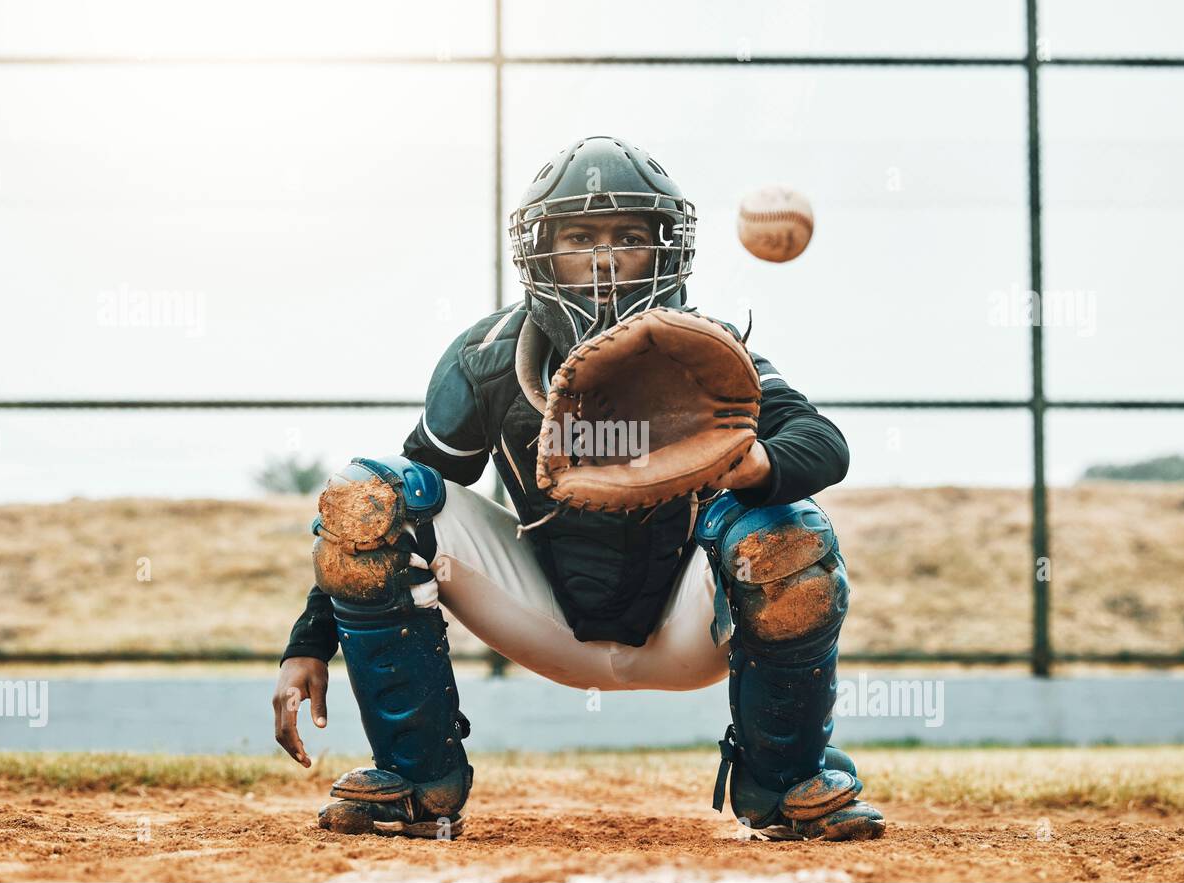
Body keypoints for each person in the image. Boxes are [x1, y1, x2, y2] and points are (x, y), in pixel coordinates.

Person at [272, 135, 885, 842]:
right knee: (368, 498)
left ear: (665, 250)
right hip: (540, 617)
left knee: (787, 533)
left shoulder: (708, 351)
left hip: (690, 622)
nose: (602, 258)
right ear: (540, 252)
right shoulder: (489, 357)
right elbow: (375, 514)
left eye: (627, 235)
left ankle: (785, 780)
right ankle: (417, 779)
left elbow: (823, 444)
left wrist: (753, 468)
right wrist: (309, 639)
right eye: (579, 236)